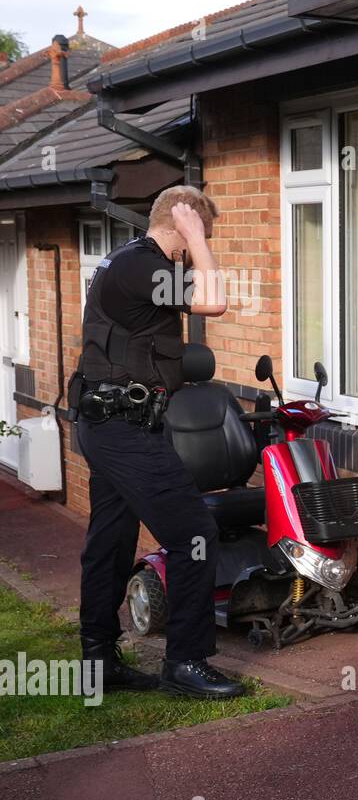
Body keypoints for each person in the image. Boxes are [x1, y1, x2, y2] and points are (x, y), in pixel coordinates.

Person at [73, 185, 244, 699]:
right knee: (195, 533)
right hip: (120, 429)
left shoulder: (135, 266)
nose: (198, 251)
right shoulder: (139, 266)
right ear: (179, 224)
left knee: (111, 541)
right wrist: (195, 234)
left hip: (114, 424)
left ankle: (98, 662)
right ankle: (186, 661)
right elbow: (213, 302)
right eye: (198, 237)